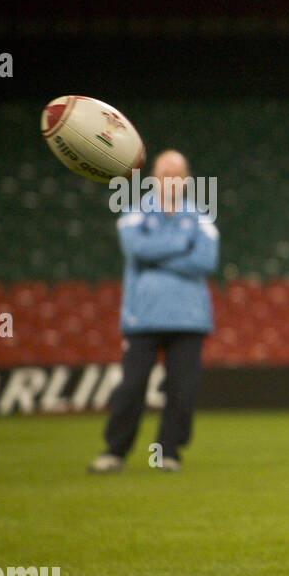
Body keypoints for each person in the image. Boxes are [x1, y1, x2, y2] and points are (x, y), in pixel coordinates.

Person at [87, 150, 218, 474]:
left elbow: (205, 262)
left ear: (186, 180)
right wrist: (181, 244)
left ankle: (167, 453)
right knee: (131, 387)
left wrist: (156, 251)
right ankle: (115, 452)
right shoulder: (133, 212)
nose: (170, 179)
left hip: (190, 320)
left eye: (176, 173)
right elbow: (137, 249)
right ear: (154, 178)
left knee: (182, 391)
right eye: (164, 173)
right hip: (142, 318)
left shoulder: (202, 218)